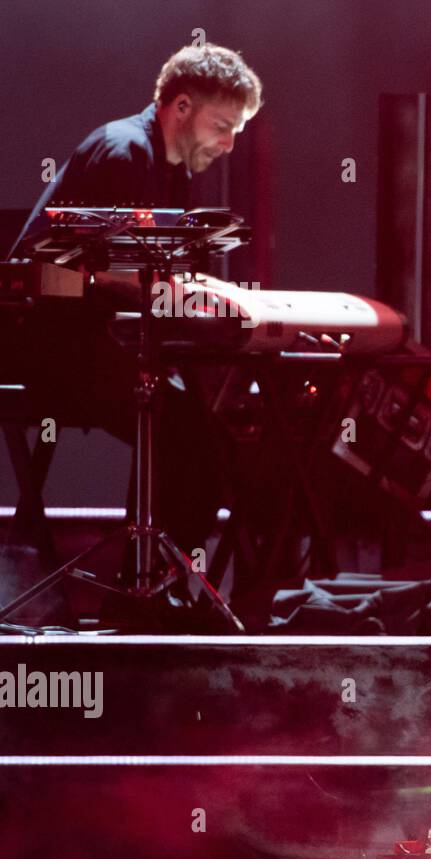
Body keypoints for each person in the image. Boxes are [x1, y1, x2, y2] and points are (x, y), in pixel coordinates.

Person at [8, 45, 262, 600]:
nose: (228, 144)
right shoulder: (123, 152)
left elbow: (140, 277)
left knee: (201, 437)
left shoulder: (169, 167)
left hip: (96, 342)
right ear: (181, 106)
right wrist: (190, 295)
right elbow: (72, 272)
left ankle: (155, 589)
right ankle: (145, 593)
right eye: (223, 126)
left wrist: (196, 291)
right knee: (183, 436)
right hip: (49, 346)